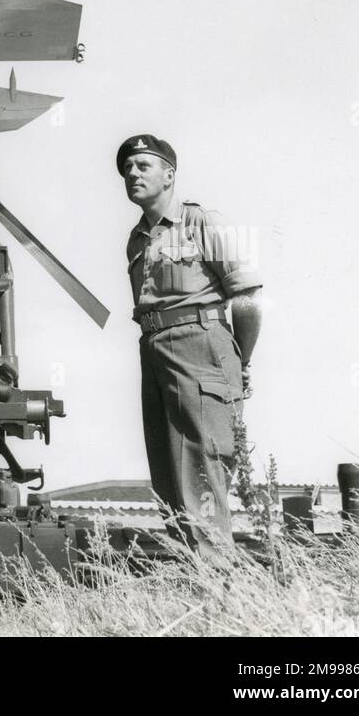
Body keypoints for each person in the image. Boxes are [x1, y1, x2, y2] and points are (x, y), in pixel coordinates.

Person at [117, 134, 263, 560]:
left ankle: (217, 581)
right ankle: (193, 574)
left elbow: (248, 298)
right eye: (127, 168)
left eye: (143, 165)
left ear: (169, 174)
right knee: (168, 474)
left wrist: (241, 359)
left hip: (200, 344)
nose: (132, 173)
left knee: (203, 466)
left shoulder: (201, 222)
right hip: (154, 350)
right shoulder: (136, 239)